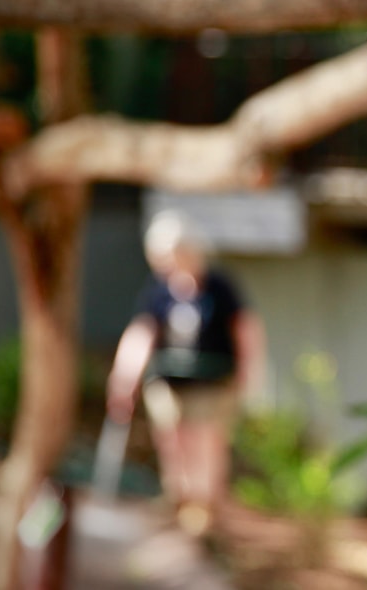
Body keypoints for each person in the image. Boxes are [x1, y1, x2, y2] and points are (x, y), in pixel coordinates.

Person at [106, 211, 265, 536]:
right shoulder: (159, 290)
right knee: (172, 442)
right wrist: (124, 378)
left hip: (213, 381)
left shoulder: (218, 285)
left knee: (206, 441)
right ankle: (179, 500)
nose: (164, 263)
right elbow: (142, 333)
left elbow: (246, 329)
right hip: (170, 381)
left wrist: (250, 372)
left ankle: (206, 507)